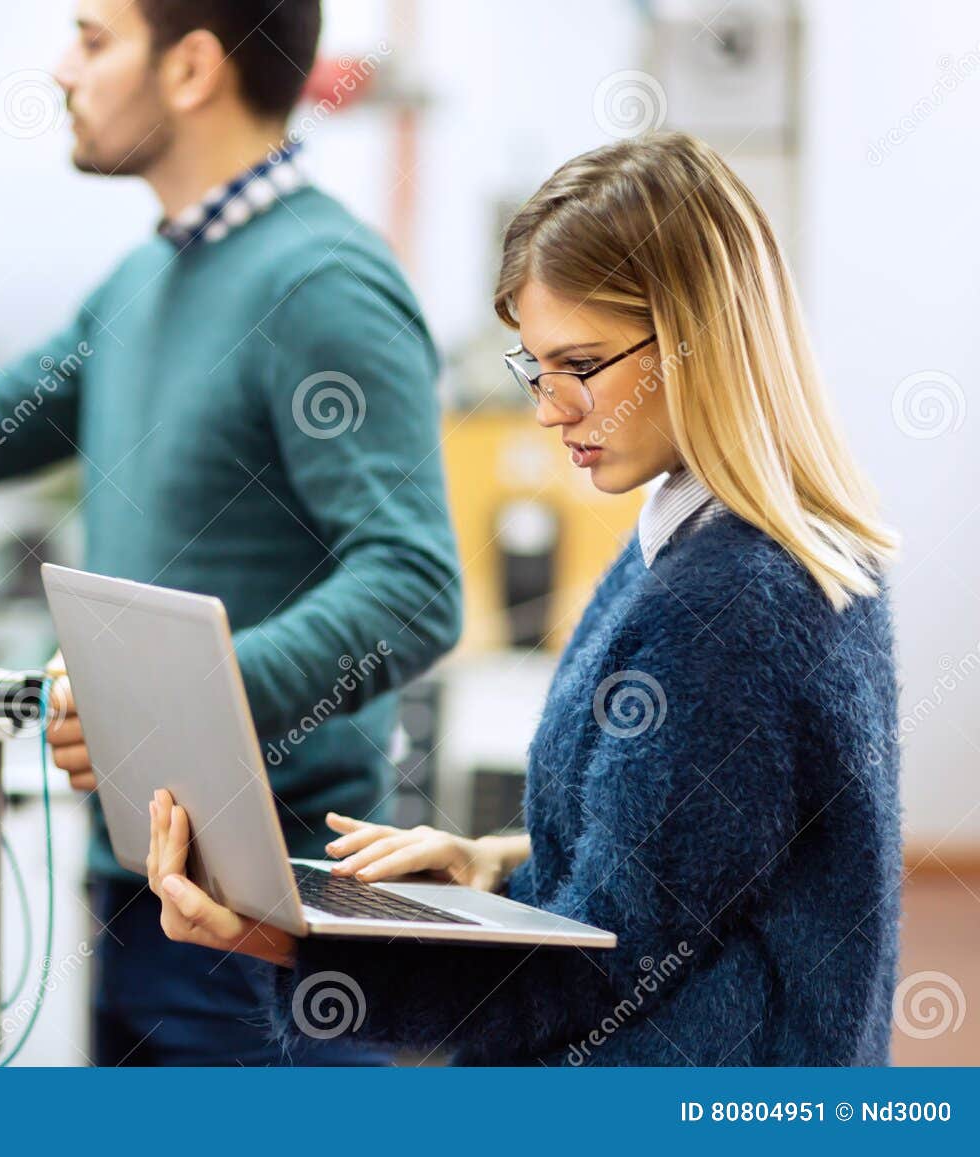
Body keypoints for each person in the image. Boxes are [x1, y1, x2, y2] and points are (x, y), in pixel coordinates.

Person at [0, 0, 461, 1066]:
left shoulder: (321, 284)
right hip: (141, 890)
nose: (64, 70)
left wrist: (163, 704)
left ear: (192, 68)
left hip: (268, 929)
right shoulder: (146, 279)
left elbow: (412, 584)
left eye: (94, 38)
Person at [145, 131, 902, 1066]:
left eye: (580, 365)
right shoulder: (746, 547)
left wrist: (278, 941)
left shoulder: (727, 605)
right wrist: (493, 865)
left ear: (699, 336)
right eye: (534, 367)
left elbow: (593, 976)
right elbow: (691, 882)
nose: (550, 408)